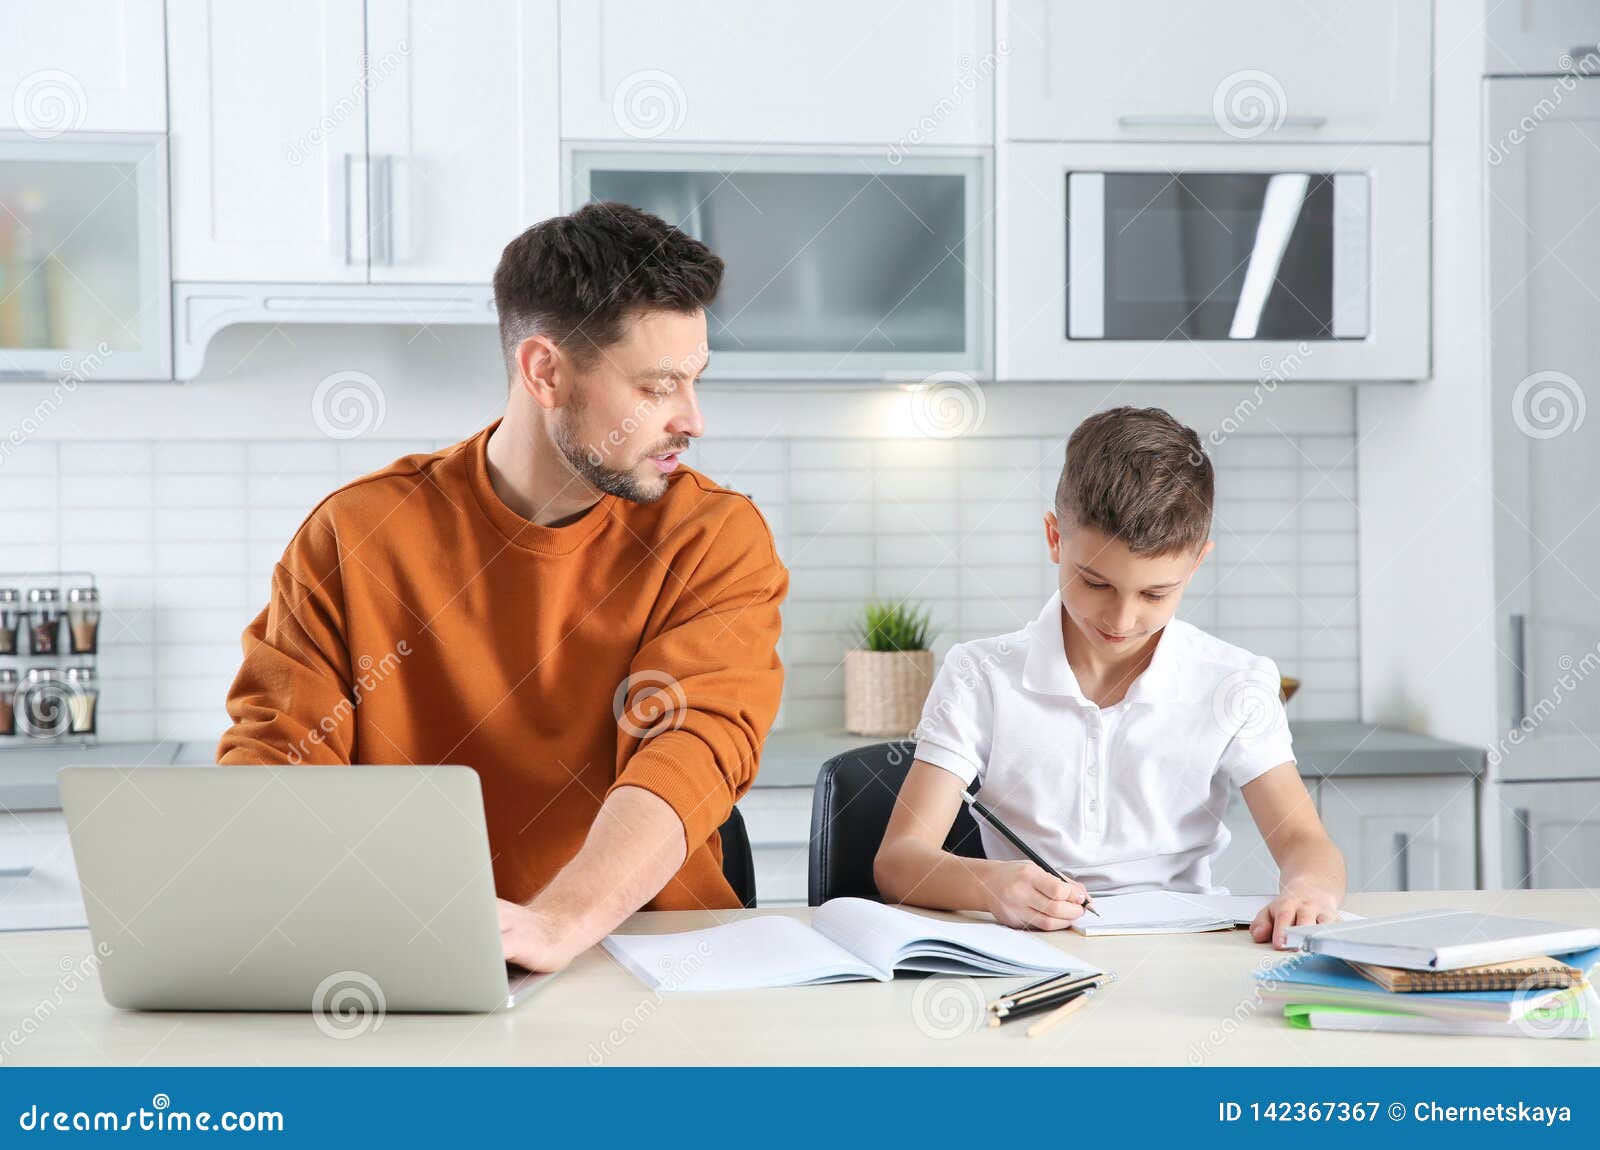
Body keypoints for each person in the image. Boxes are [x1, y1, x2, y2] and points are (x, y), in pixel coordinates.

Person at [218, 202, 788, 972]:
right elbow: (275, 772)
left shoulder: (715, 537)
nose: (693, 418)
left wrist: (554, 924)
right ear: (545, 371)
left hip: (651, 968)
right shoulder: (355, 534)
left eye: (695, 380)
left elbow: (692, 748)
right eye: (658, 388)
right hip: (410, 966)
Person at [873, 406, 1345, 949]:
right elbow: (899, 861)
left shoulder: (1235, 682)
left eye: (1154, 594)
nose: (1121, 621)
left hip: (1186, 954)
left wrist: (1309, 889)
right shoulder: (980, 675)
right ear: (1054, 538)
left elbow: (1304, 841)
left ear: (1196, 564)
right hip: (1031, 952)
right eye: (1095, 583)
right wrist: (992, 884)